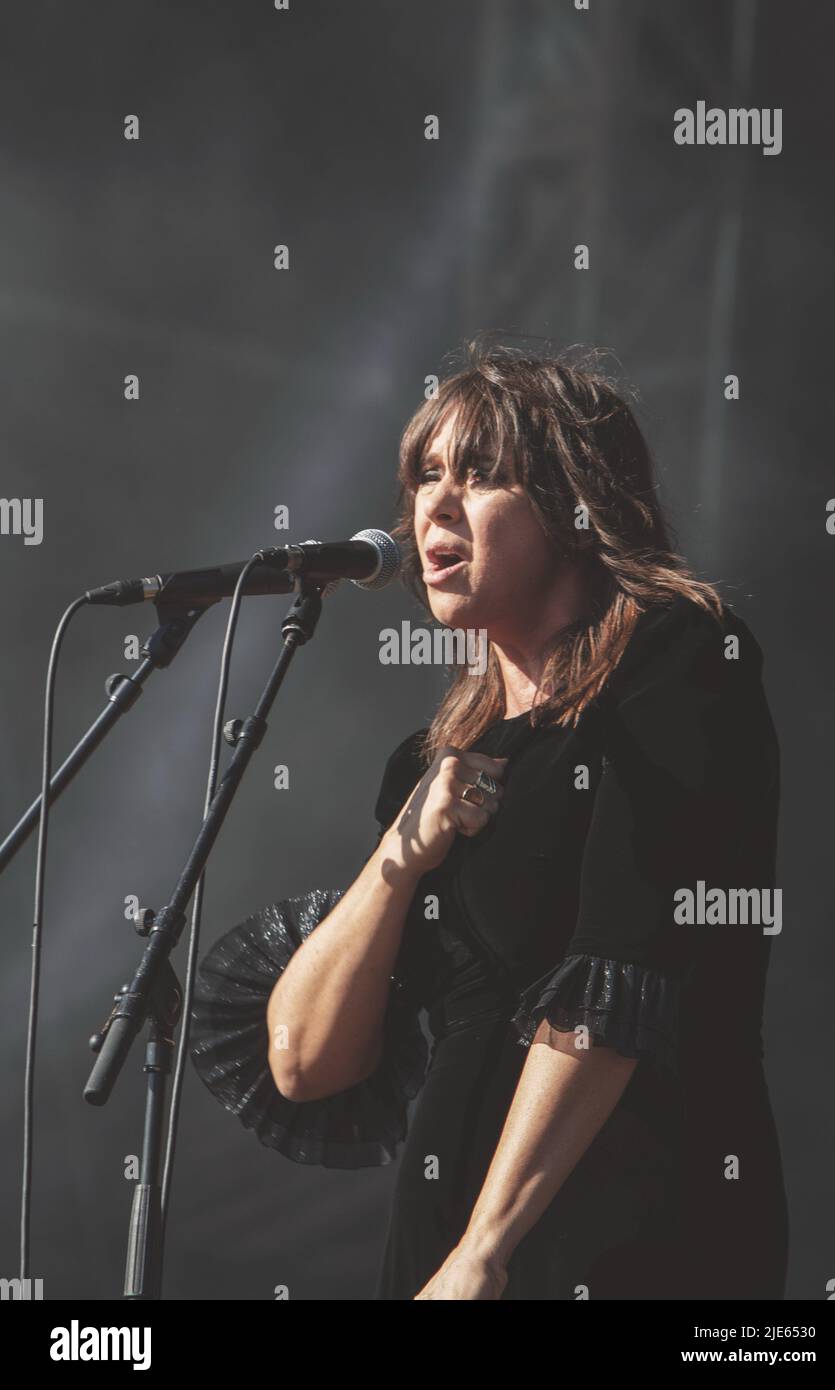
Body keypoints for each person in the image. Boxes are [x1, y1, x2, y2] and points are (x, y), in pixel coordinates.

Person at [191, 342, 789, 1301]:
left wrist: (489, 1248)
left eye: (480, 474)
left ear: (571, 504)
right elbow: (306, 1062)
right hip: (448, 1243)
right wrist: (402, 849)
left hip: (629, 1233)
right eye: (426, 475)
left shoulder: (679, 661)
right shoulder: (432, 764)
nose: (435, 504)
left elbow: (618, 983)